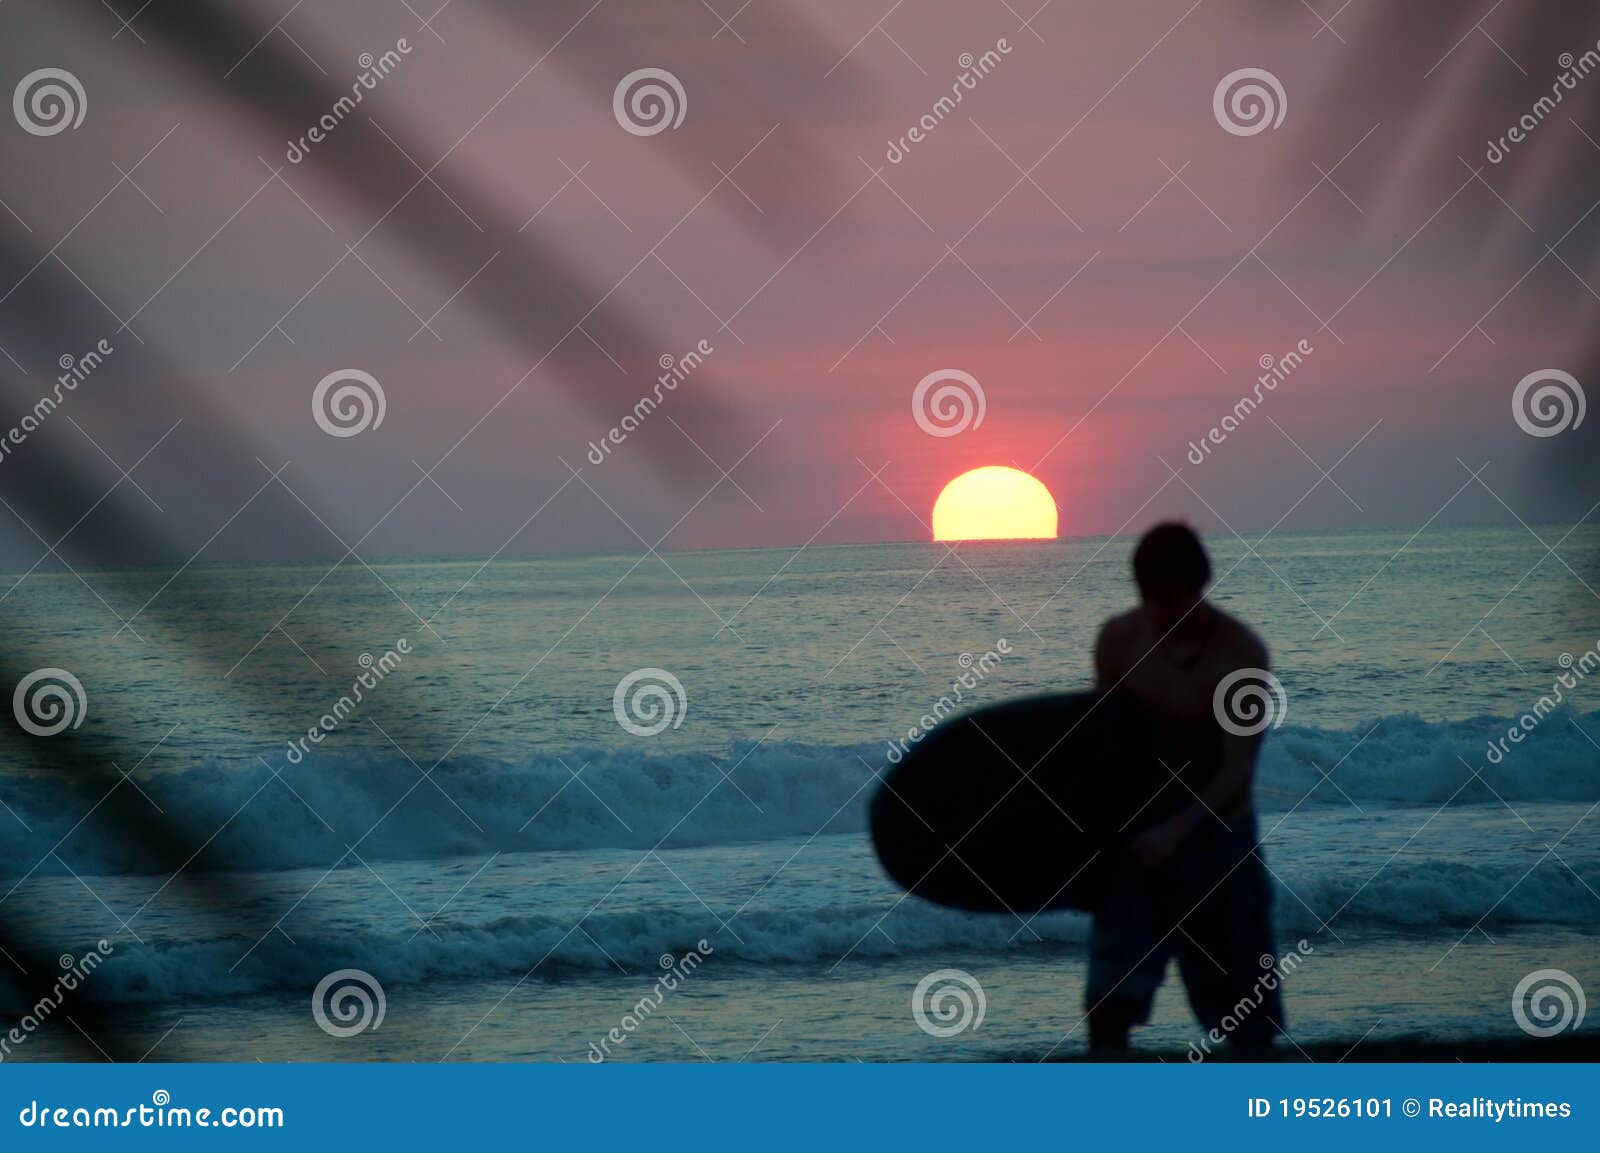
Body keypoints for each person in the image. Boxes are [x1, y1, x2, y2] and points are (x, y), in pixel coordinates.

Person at [1087, 522, 1281, 1056]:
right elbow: (1103, 747)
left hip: (1221, 844)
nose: (1161, 612)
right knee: (1108, 1007)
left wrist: (1176, 832)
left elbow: (1238, 771)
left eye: (1171, 598)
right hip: (1142, 842)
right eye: (1150, 598)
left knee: (1247, 1022)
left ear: (1198, 587)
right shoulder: (1119, 640)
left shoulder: (1239, 655)